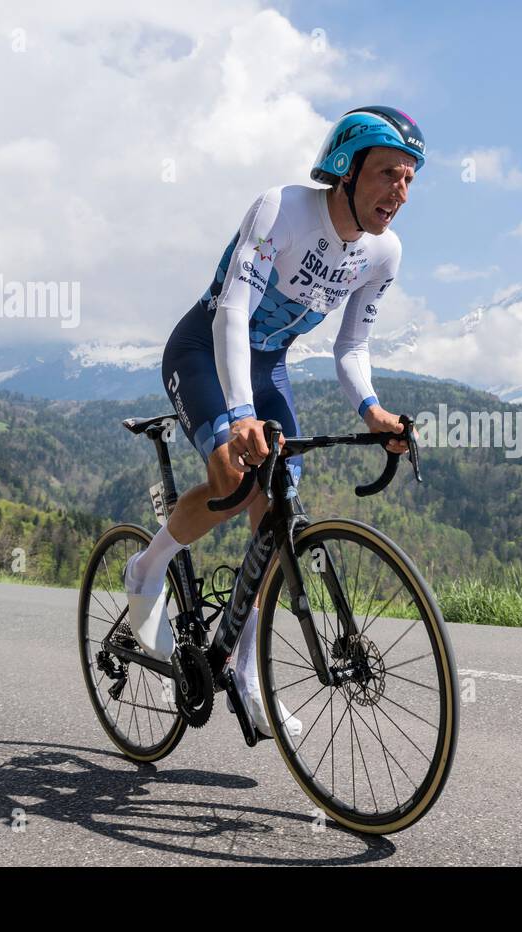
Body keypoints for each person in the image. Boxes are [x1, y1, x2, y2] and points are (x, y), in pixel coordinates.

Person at [125, 106, 424, 741]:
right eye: (387, 173)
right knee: (234, 481)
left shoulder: (383, 253)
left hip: (270, 367)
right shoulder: (281, 209)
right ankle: (147, 569)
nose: (399, 191)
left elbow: (351, 347)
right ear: (346, 170)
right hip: (204, 350)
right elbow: (233, 310)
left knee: (279, 505)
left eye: (409, 178)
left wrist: (373, 411)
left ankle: (245, 666)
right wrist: (238, 416)